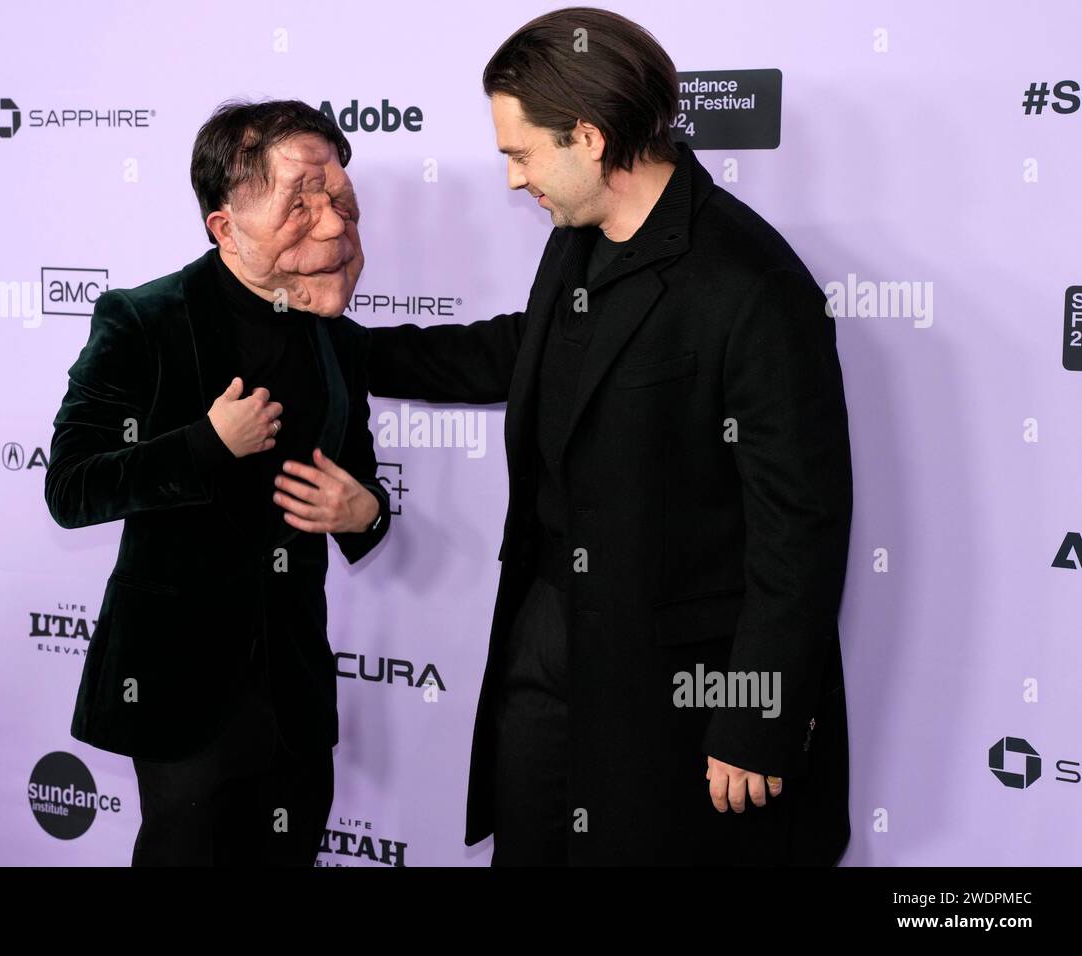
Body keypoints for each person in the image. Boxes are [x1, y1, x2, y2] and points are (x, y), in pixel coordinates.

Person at [364, 7, 854, 865]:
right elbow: (525, 351)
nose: (513, 179)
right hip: (547, 640)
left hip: (677, 678)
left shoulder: (753, 284)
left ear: (587, 137)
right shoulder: (577, 238)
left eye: (520, 153)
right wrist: (342, 349)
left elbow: (800, 529)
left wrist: (756, 718)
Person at [44, 99, 389, 866]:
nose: (327, 220)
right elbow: (70, 488)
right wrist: (205, 443)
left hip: (294, 694)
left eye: (333, 197)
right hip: (178, 693)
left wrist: (365, 513)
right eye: (297, 200)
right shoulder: (144, 319)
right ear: (225, 225)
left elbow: (359, 489)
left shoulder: (332, 331)